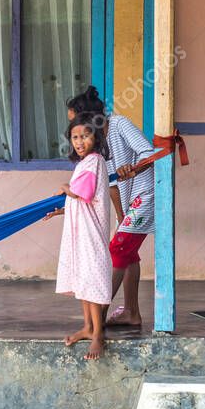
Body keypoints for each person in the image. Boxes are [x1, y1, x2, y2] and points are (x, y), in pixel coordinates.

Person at [66, 86, 156, 329]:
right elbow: (111, 185)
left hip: (146, 195)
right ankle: (131, 312)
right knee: (128, 254)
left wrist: (134, 168)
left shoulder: (119, 124)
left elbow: (150, 153)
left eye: (76, 122)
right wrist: (121, 216)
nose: (75, 133)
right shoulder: (96, 145)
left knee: (117, 251)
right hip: (127, 201)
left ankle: (98, 317)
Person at [48, 113, 114, 360]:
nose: (79, 142)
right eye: (75, 137)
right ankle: (87, 326)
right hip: (81, 232)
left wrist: (65, 187)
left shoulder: (94, 161)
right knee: (83, 279)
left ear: (95, 138)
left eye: (85, 136)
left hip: (91, 234)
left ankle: (98, 334)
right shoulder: (83, 163)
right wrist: (62, 209)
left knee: (92, 280)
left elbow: (83, 194)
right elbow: (83, 201)